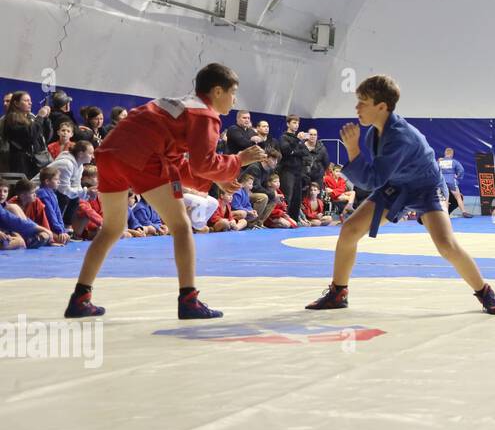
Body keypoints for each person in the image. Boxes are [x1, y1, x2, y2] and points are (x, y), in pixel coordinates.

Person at [63, 63, 265, 319]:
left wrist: (219, 177)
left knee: (112, 229)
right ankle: (189, 300)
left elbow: (177, 162)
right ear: (217, 91)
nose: (234, 99)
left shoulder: (179, 104)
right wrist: (238, 160)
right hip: (142, 157)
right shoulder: (205, 115)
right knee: (181, 225)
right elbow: (202, 163)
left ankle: (80, 298)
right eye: (233, 92)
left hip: (110, 155)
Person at [302, 74, 495, 314]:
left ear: (381, 106)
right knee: (350, 230)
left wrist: (353, 151)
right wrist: (357, 152)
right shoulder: (374, 132)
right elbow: (379, 178)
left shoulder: (400, 136)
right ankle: (338, 292)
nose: (357, 108)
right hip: (397, 186)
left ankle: (485, 292)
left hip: (427, 188)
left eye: (363, 102)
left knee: (446, 245)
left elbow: (372, 179)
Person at [3, 91, 51, 178]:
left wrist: (46, 119)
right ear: (16, 103)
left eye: (30, 100)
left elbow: (45, 137)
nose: (30, 103)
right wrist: (40, 117)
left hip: (35, 162)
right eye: (26, 100)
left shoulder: (31, 117)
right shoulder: (12, 119)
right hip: (21, 163)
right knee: (23, 189)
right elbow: (30, 135)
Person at [278, 116, 311, 222]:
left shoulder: (298, 140)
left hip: (298, 171)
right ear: (288, 124)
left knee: (297, 197)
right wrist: (298, 143)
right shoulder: (284, 137)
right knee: (288, 195)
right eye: (294, 122)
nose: (296, 125)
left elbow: (305, 153)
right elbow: (286, 150)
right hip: (287, 170)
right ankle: (285, 217)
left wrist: (295, 151)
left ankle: (294, 219)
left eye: (297, 123)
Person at [438, 147, 472, 217]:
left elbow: (434, 170)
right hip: (451, 181)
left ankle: (445, 215)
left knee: (445, 198)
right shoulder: (454, 161)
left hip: (442, 181)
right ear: (452, 154)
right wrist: (458, 176)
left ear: (445, 153)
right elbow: (461, 170)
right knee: (458, 197)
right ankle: (464, 212)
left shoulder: (439, 161)